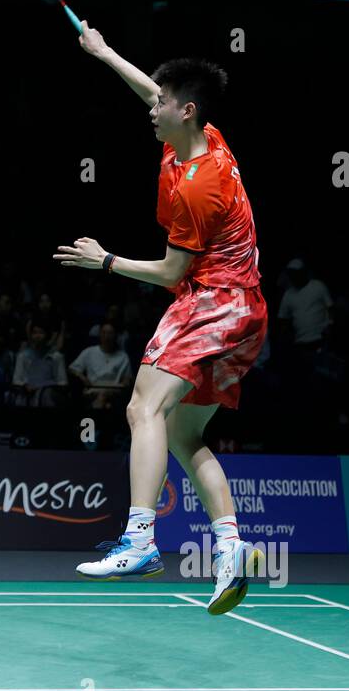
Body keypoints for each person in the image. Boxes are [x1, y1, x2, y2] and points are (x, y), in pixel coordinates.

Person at [58, 31, 267, 615]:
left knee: (142, 409)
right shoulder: (205, 139)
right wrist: (104, 54)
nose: (152, 108)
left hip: (212, 303)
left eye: (162, 104)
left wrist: (104, 260)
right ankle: (230, 548)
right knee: (181, 435)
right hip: (246, 311)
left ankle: (141, 541)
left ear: (187, 111)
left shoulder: (200, 187)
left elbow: (172, 269)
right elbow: (152, 87)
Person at [68, 322, 134, 409]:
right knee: (107, 405)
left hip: (114, 391)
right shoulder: (89, 352)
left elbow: (127, 377)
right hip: (93, 390)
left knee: (106, 401)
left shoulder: (123, 356)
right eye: (104, 333)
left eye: (110, 333)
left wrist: (126, 381)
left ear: (115, 335)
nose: (107, 336)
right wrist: (82, 377)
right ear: (100, 334)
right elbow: (72, 368)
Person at [12, 323, 67, 406]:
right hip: (27, 395)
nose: (37, 336)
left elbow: (62, 382)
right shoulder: (23, 356)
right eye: (34, 333)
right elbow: (17, 380)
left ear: (47, 335)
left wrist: (45, 388)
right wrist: (25, 386)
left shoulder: (56, 356)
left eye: (41, 333)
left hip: (48, 395)